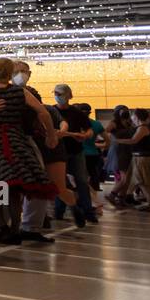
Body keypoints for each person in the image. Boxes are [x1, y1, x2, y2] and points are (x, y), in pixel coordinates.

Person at [0, 58, 58, 243]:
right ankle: (15, 228)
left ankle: (2, 226)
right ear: (11, 73)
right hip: (15, 140)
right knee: (13, 188)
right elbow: (43, 112)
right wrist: (51, 135)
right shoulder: (20, 92)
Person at [51, 84, 98, 226]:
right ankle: (59, 211)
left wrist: (86, 135)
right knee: (61, 183)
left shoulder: (76, 113)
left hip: (76, 151)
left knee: (82, 182)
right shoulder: (51, 111)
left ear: (69, 95)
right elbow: (55, 131)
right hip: (59, 152)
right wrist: (74, 134)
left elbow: (89, 129)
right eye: (56, 93)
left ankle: (88, 212)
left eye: (61, 94)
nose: (58, 96)